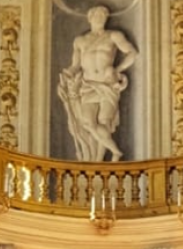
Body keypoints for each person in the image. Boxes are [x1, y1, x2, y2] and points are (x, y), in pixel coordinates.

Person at [56, 5, 138, 161]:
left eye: (104, 15)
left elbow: (132, 53)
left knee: (104, 122)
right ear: (90, 18)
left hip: (107, 85)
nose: (101, 18)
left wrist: (117, 70)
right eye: (98, 15)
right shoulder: (80, 41)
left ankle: (99, 162)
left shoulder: (113, 36)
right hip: (87, 86)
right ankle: (115, 151)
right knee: (88, 123)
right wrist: (66, 77)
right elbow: (75, 66)